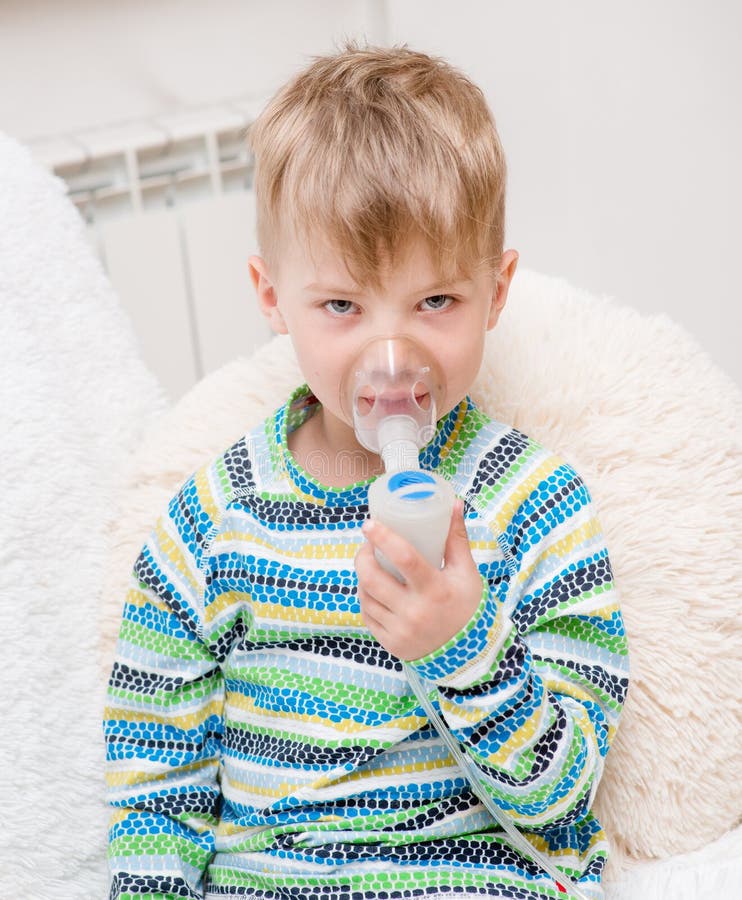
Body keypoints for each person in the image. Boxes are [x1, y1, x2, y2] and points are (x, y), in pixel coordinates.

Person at [103, 43, 629, 900]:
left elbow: (564, 799)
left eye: (436, 303)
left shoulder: (539, 509)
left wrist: (463, 645)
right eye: (342, 306)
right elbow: (156, 789)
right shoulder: (209, 523)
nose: (393, 355)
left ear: (496, 293)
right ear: (272, 297)